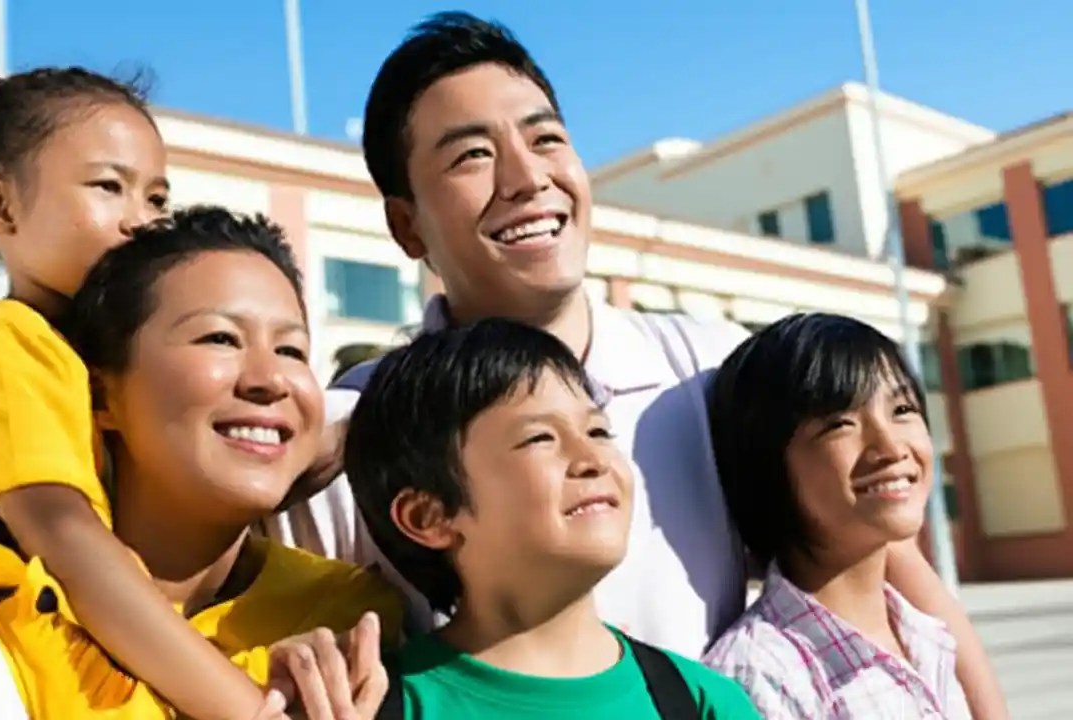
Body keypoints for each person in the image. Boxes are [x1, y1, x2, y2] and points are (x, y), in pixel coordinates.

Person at [267, 11, 1007, 717]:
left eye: (547, 138)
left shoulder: (706, 367)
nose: (528, 178)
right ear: (406, 225)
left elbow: (896, 582)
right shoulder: (355, 436)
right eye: (472, 156)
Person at [0, 207, 404, 719]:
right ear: (100, 396)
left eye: (292, 350)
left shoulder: (351, 622)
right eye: (220, 338)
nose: (269, 379)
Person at [346, 318, 761, 719]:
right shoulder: (369, 705)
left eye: (598, 431)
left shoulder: (702, 702)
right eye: (540, 438)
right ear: (428, 517)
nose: (592, 459)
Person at [703, 314, 974, 719]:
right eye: (839, 423)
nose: (890, 446)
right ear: (765, 465)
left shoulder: (925, 636)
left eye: (901, 409)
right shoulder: (758, 676)